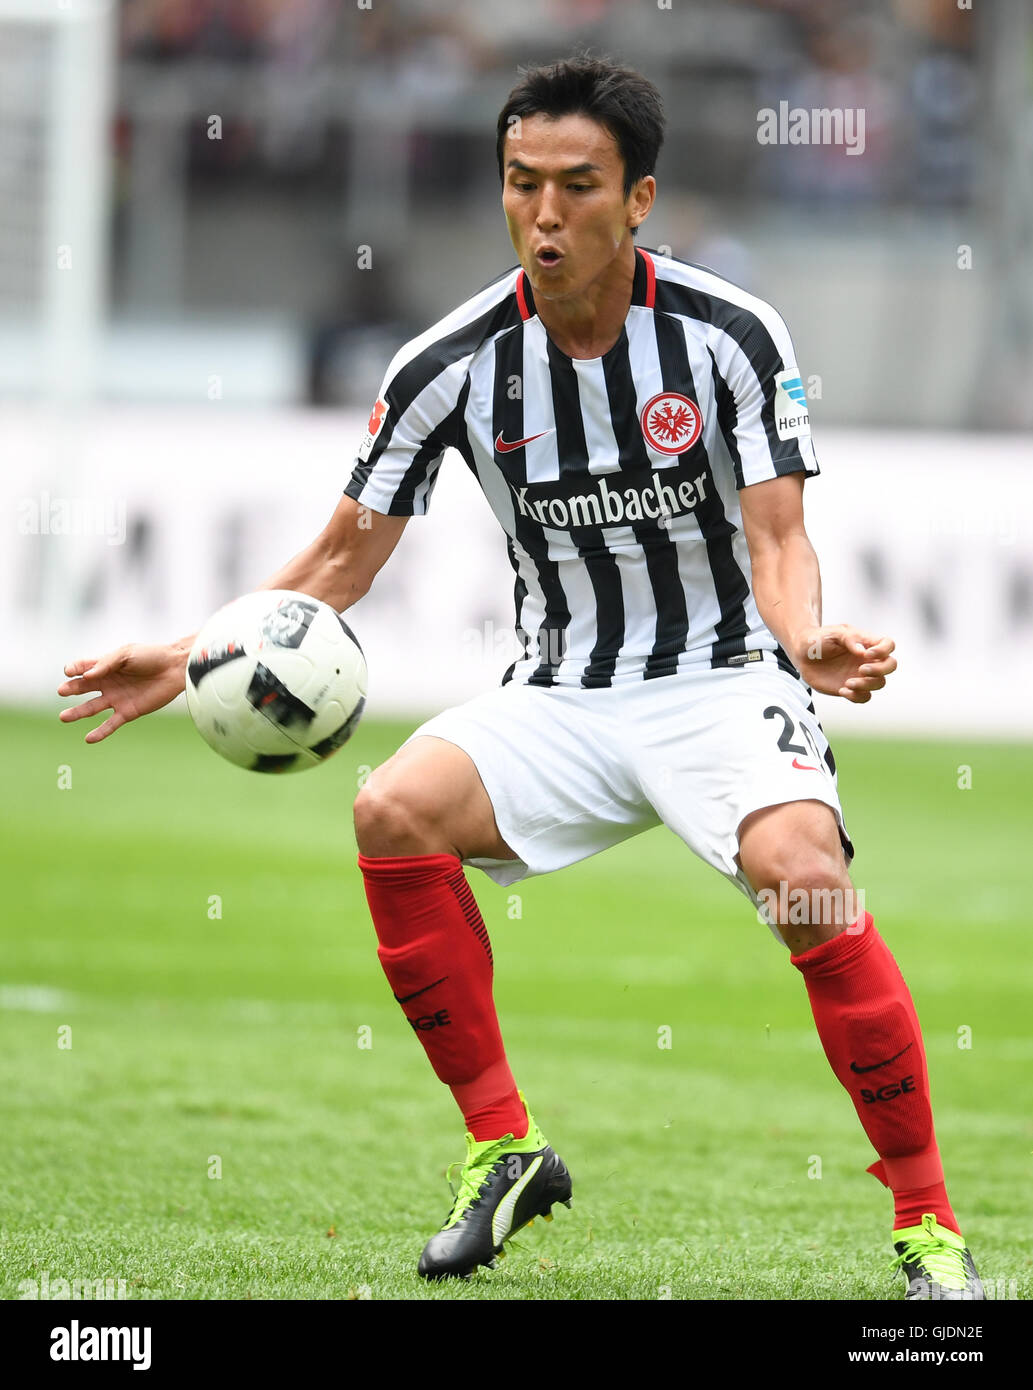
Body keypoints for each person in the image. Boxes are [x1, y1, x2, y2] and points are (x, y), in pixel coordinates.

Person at [59, 54, 982, 1298]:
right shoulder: (447, 362)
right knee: (391, 811)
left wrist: (806, 641)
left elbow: (777, 539)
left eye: (578, 187)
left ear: (639, 198)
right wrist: (185, 656)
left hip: (722, 677)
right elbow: (341, 558)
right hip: (562, 692)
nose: (544, 215)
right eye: (520, 184)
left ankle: (927, 1228)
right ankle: (505, 1148)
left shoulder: (726, 335)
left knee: (804, 885)